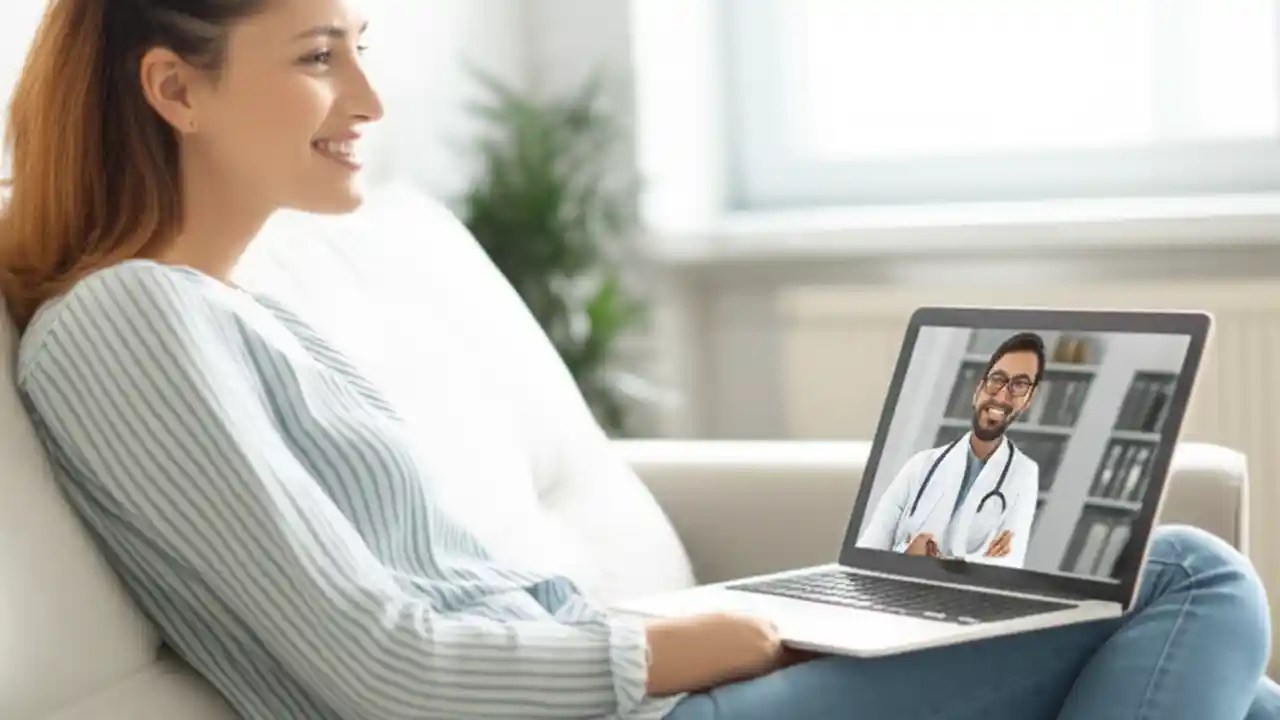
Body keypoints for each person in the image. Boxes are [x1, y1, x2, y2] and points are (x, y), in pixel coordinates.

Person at [0, 1, 1276, 718]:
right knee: (1179, 579)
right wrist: (703, 641)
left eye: (364, 48)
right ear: (173, 87)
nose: (371, 103)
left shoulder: (239, 310)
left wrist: (737, 619)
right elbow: (383, 667)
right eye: (319, 57)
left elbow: (454, 601)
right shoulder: (126, 324)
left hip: (618, 688)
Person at [858, 332, 1045, 568]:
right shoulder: (920, 465)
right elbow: (866, 555)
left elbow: (1008, 565)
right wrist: (908, 553)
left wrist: (927, 560)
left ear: (1028, 400)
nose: (1003, 394)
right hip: (897, 593)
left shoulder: (1024, 473)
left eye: (1019, 385)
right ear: (978, 390)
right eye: (997, 379)